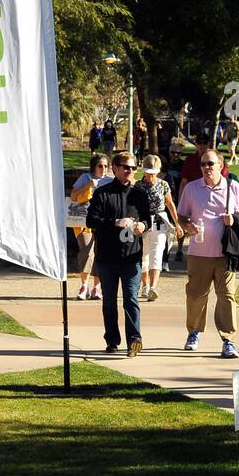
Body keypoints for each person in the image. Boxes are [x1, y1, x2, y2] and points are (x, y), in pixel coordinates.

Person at [177, 149, 239, 358]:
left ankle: (228, 340)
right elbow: (181, 216)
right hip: (199, 253)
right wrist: (187, 227)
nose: (206, 168)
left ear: (221, 166)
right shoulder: (191, 188)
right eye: (203, 164)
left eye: (210, 164)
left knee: (226, 296)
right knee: (196, 295)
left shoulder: (232, 187)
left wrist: (233, 220)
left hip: (226, 253)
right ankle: (194, 333)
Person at [85, 152, 152, 357]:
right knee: (109, 301)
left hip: (132, 256)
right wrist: (114, 223)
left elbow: (149, 219)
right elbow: (91, 221)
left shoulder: (139, 194)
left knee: (131, 299)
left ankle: (135, 340)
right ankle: (112, 340)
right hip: (108, 256)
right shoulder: (103, 193)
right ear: (115, 168)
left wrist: (143, 225)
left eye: (133, 168)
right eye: (126, 167)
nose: (130, 171)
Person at [139, 155, 183, 300]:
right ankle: (144, 285)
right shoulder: (138, 185)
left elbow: (170, 204)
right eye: (148, 172)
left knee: (157, 254)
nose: (150, 176)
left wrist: (177, 224)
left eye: (153, 173)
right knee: (144, 255)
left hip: (160, 222)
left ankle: (153, 287)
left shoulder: (163, 185)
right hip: (143, 223)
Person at [69, 152, 112, 300]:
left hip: (102, 223)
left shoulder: (110, 181)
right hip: (83, 222)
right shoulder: (85, 178)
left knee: (100, 253)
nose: (103, 168)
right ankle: (84, 286)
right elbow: (74, 196)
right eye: (100, 166)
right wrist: (88, 186)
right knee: (87, 251)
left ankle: (96, 287)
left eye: (106, 166)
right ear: (94, 166)